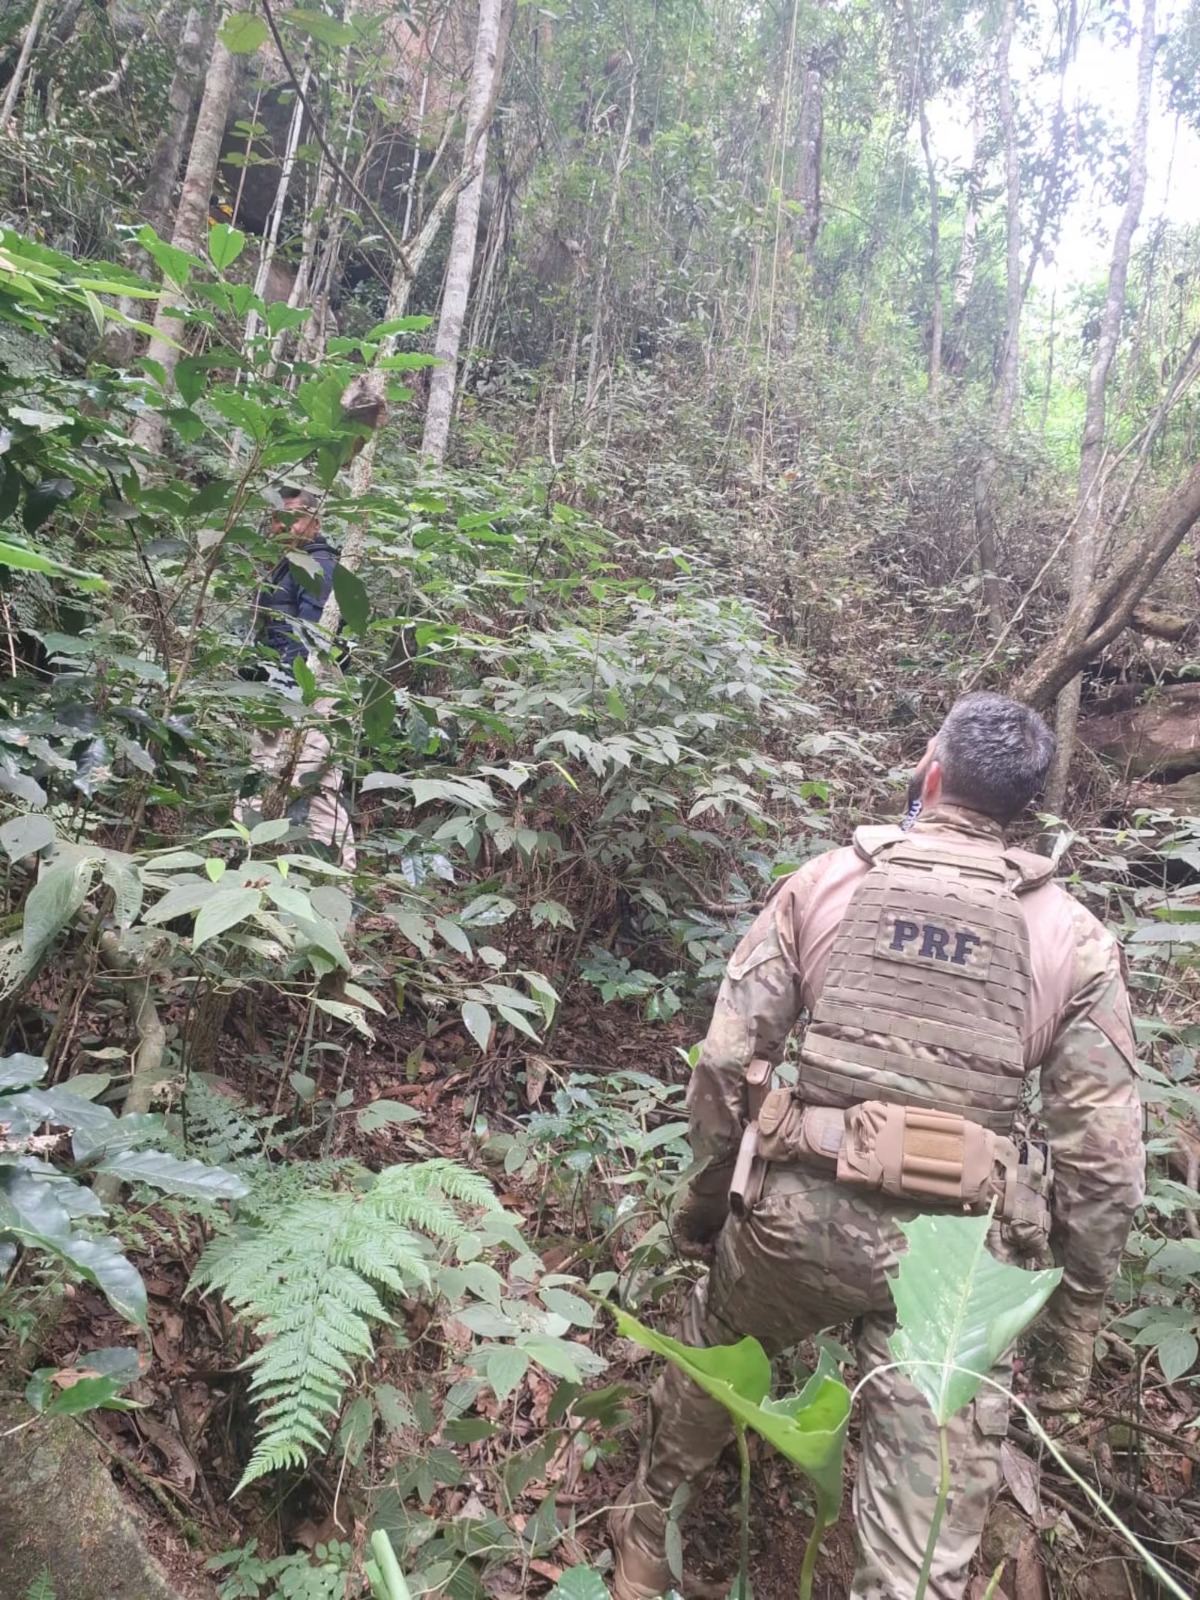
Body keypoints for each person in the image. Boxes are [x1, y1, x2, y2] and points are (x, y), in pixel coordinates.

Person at [609, 692, 1145, 1600]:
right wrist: (1073, 1325)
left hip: (793, 1224)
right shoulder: (1074, 939)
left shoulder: (828, 884)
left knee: (718, 1342)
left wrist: (702, 1210)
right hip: (954, 1262)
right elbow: (1101, 1161)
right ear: (1023, 806)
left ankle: (643, 1540)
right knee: (919, 1545)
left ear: (931, 772)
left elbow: (728, 1062)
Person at [238, 486, 357, 870]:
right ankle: (256, 869)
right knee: (275, 779)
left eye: (293, 517)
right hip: (284, 686)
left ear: (315, 521)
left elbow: (316, 637)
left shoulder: (318, 565)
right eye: (277, 517)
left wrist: (287, 695)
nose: (283, 525)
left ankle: (334, 879)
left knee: (310, 784)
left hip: (307, 689)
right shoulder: (287, 564)